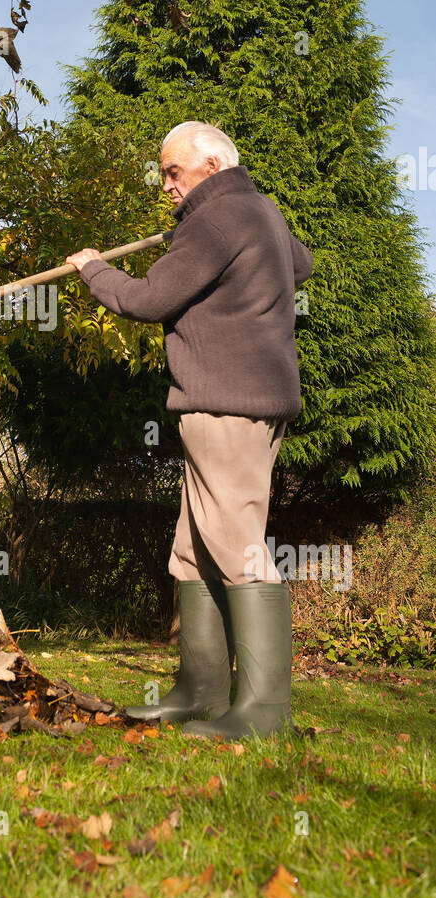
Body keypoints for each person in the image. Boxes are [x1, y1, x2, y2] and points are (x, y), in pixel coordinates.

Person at [67, 121, 314, 738]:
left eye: (173, 172)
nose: (167, 185)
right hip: (246, 399)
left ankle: (263, 712)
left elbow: (149, 301)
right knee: (194, 546)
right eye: (163, 175)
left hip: (226, 400)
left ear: (211, 165)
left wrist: (94, 270)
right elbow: (298, 266)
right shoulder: (260, 212)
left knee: (237, 546)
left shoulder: (216, 217)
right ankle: (200, 690)